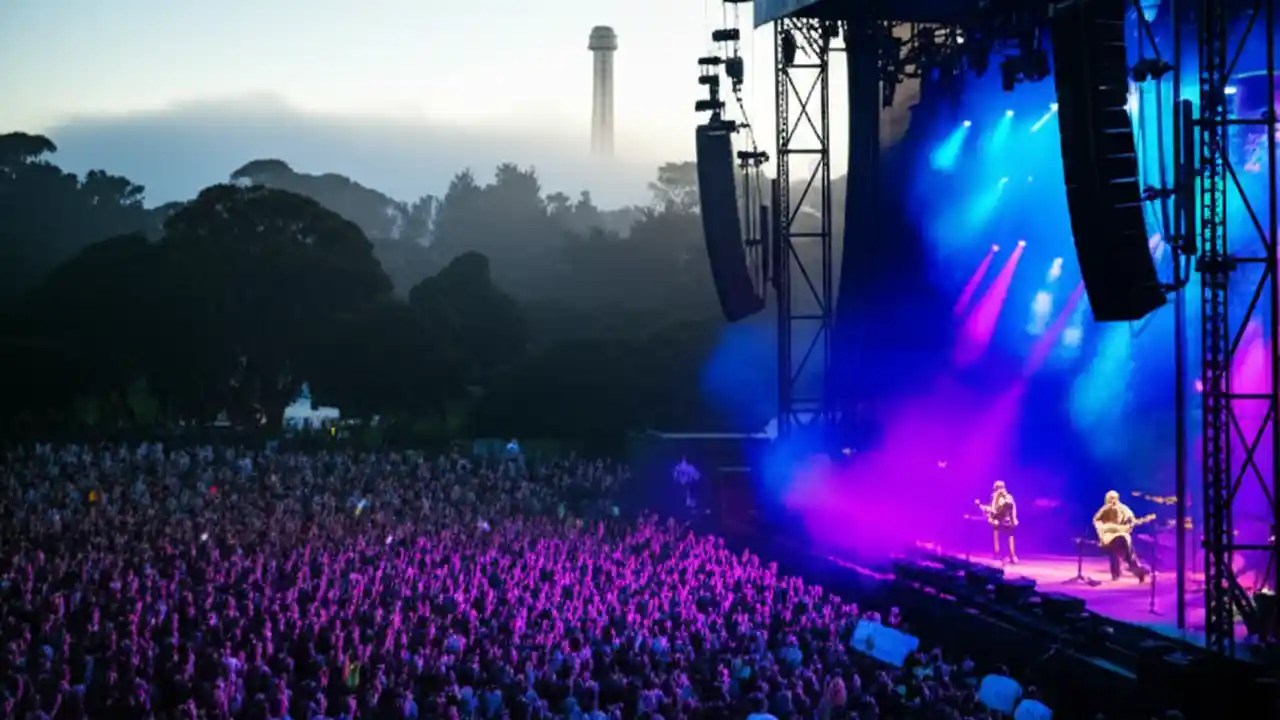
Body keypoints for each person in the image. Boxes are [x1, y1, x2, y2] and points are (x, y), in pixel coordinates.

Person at [1093, 490, 1149, 582]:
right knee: (1116, 553)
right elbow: (1097, 521)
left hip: (1121, 537)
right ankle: (1121, 572)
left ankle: (1133, 569)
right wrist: (1106, 529)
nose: (1112, 501)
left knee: (1123, 549)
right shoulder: (1104, 510)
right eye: (1110, 499)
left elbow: (1131, 520)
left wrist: (1128, 526)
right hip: (1108, 536)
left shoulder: (1123, 509)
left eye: (1114, 499)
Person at [977, 481, 1019, 564]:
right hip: (1000, 521)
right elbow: (992, 509)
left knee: (1008, 537)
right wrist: (980, 506)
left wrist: (1012, 519)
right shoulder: (995, 497)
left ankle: (1011, 555)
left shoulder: (1006, 497)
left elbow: (1006, 508)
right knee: (999, 536)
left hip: (1006, 521)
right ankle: (1000, 554)